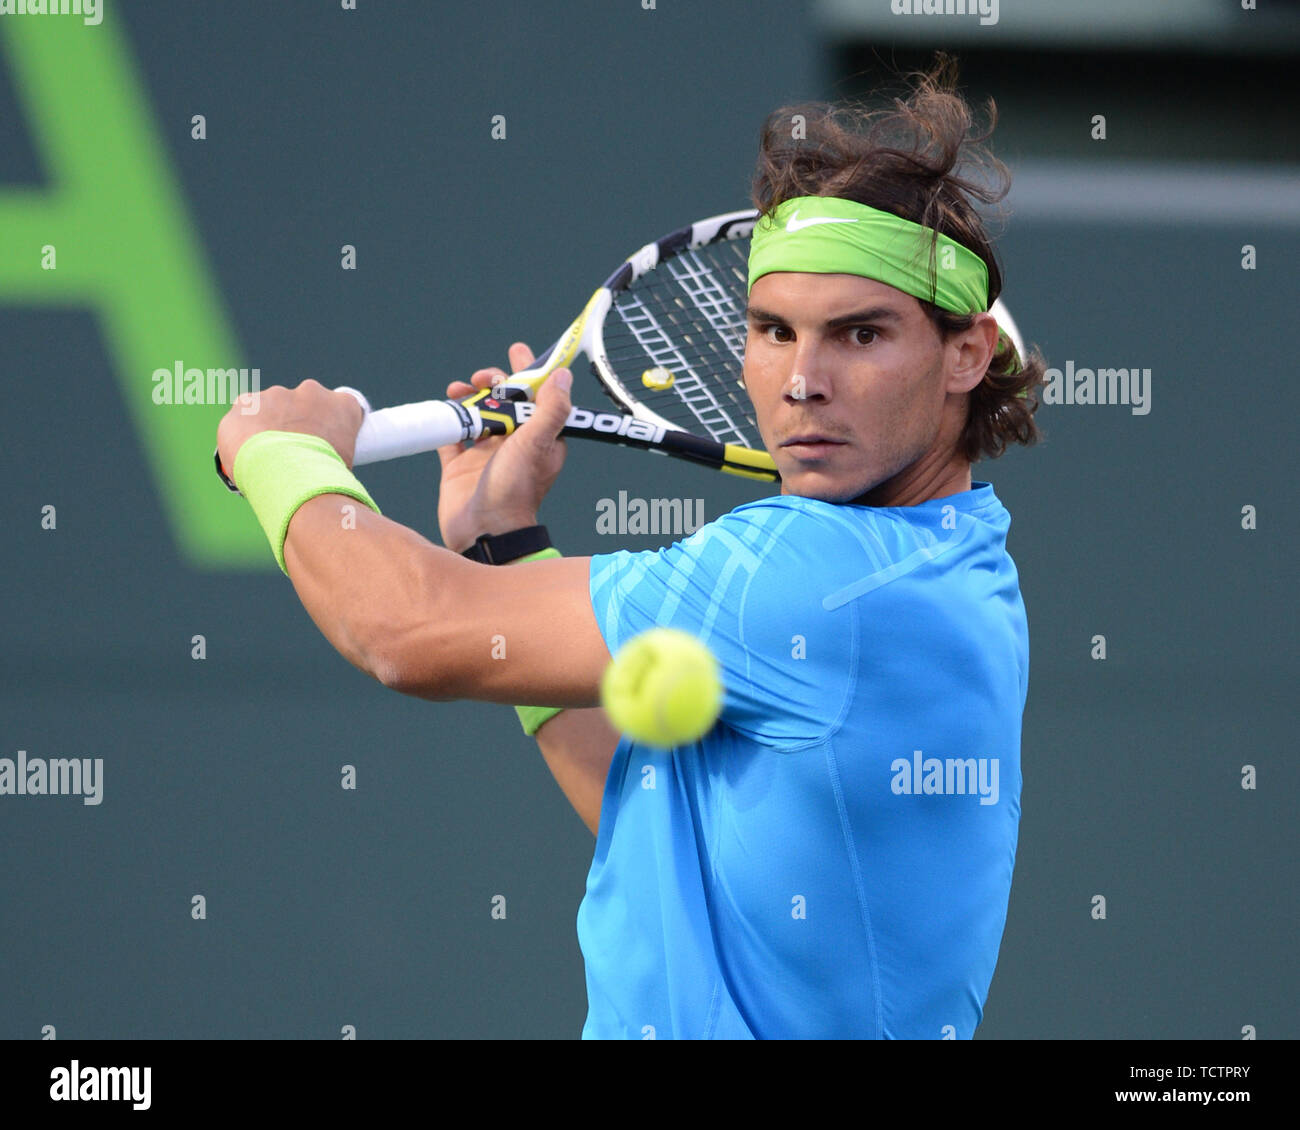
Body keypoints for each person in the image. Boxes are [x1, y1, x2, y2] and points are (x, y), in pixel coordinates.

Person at [215, 60, 1044, 1039]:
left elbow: (405, 628)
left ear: (965, 354)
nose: (801, 380)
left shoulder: (817, 577)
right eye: (772, 330)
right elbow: (657, 840)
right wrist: (502, 544)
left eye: (859, 335)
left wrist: (279, 452)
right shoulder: (949, 562)